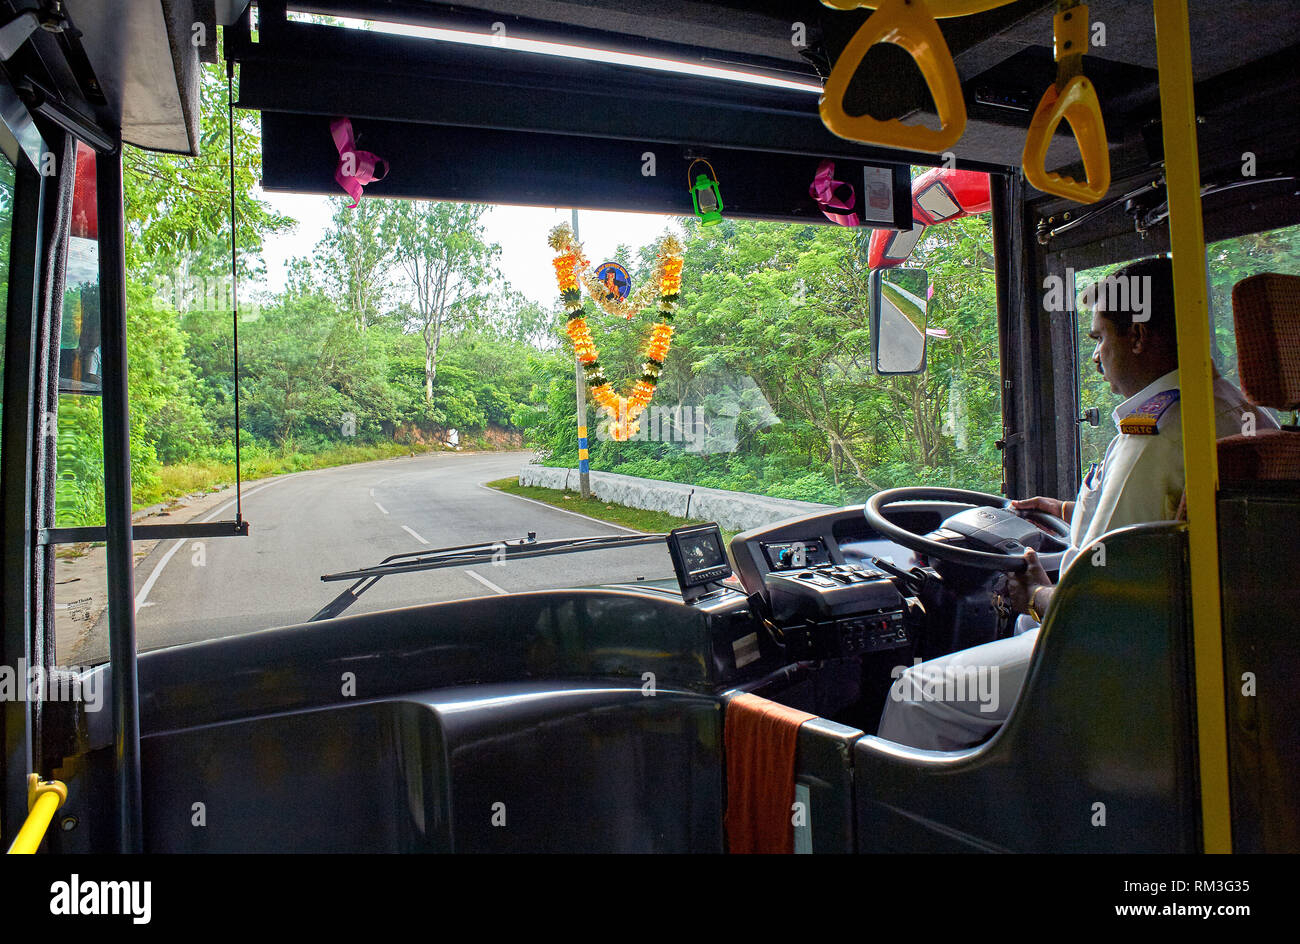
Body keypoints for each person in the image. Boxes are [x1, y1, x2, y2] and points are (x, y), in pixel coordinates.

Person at [876, 256, 1277, 751]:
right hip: (1208, 647)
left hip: (1124, 655)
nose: (1095, 356)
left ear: (1139, 336)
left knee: (916, 693)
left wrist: (1039, 596)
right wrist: (1067, 511)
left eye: (1100, 337)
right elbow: (1158, 523)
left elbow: (1100, 605)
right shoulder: (1243, 417)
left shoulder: (1157, 437)